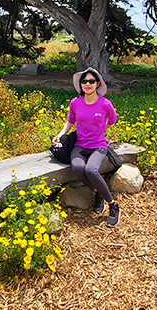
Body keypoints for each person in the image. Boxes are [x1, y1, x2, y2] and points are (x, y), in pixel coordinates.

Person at [52, 67, 120, 227]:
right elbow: (70, 121)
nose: (87, 84)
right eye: (84, 81)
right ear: (80, 84)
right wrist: (60, 134)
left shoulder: (105, 104)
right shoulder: (75, 103)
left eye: (91, 81)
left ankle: (112, 205)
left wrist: (102, 129)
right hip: (80, 145)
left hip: (99, 146)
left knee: (91, 170)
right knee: (77, 168)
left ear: (97, 84)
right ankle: (99, 191)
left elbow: (113, 119)